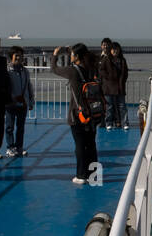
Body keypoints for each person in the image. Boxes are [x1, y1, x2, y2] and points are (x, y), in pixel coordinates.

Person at [50, 42, 99, 183]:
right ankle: (93, 174)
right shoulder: (90, 68)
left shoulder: (72, 71)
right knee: (91, 144)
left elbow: (54, 69)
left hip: (77, 114)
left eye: (71, 54)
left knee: (79, 144)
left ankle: (81, 175)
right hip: (92, 112)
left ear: (76, 56)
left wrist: (55, 55)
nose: (70, 56)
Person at [4, 46, 35, 156]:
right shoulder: (7, 70)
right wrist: (10, 98)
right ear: (11, 56)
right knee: (9, 127)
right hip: (10, 103)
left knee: (21, 127)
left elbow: (28, 86)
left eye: (21, 55)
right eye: (16, 55)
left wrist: (31, 100)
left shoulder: (25, 71)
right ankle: (10, 147)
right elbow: (4, 87)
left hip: (23, 103)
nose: (19, 57)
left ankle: (19, 147)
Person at [99, 41, 129, 129]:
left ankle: (125, 123)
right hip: (108, 87)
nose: (115, 51)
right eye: (113, 49)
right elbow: (101, 70)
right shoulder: (106, 59)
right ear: (110, 50)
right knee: (109, 106)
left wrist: (122, 81)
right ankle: (108, 123)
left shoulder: (122, 60)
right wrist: (108, 77)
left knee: (122, 106)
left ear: (119, 50)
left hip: (120, 87)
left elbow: (125, 73)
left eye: (117, 49)